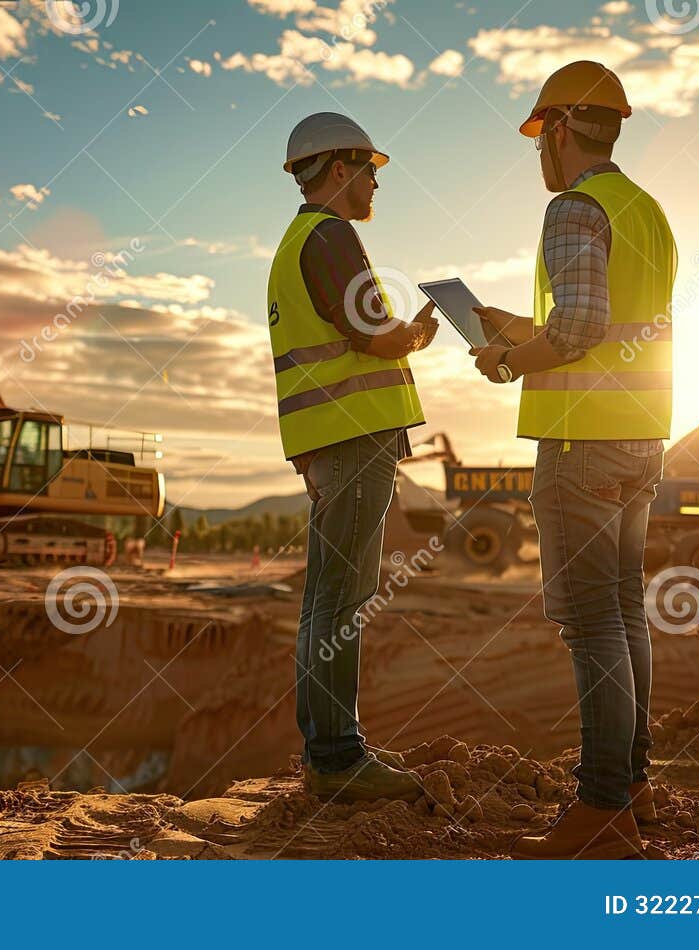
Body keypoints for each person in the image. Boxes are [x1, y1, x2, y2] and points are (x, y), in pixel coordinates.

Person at [467, 62, 677, 858]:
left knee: (590, 624)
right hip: (639, 433)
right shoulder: (645, 211)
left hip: (580, 442)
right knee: (625, 615)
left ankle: (600, 811)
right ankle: (632, 786)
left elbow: (581, 328)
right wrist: (515, 322)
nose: (539, 156)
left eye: (539, 138)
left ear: (558, 130)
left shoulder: (571, 207)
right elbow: (608, 319)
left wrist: (507, 361)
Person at [267, 112, 439, 802]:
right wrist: (418, 334)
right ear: (339, 171)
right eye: (370, 171)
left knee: (324, 603)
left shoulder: (296, 243)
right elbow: (374, 337)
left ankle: (327, 753)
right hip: (352, 438)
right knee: (343, 603)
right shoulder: (332, 235)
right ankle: (338, 761)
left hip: (326, 443)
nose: (376, 185)